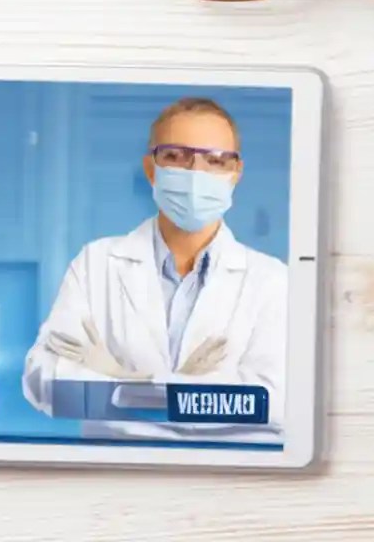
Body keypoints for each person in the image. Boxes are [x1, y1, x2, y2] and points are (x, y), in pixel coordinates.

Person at [22, 97, 288, 431]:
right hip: (114, 473)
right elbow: (41, 380)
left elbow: (271, 403)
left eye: (216, 161)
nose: (196, 174)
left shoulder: (272, 280)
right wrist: (189, 392)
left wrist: (124, 383)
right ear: (151, 169)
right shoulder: (96, 263)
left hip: (224, 476)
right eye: (176, 157)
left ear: (235, 174)